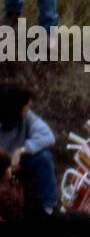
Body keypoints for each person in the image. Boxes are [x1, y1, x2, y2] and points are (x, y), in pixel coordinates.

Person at [0, 85, 57, 217]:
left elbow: (48, 136)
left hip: (18, 162)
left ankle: (48, 210)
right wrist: (7, 164)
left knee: (44, 158)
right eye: (25, 107)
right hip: (2, 164)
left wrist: (21, 150)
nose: (28, 110)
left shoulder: (26, 116)